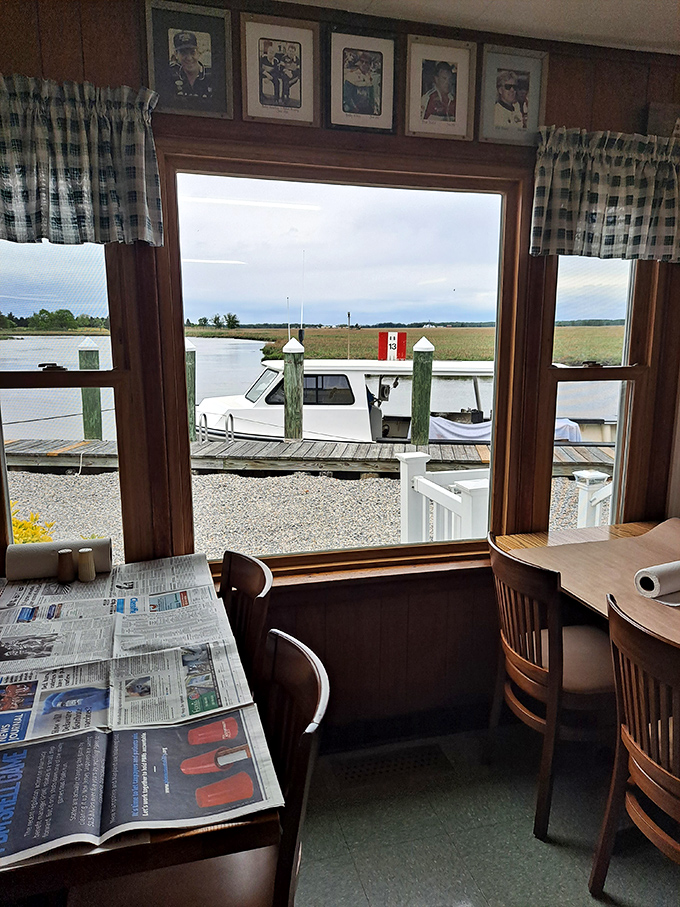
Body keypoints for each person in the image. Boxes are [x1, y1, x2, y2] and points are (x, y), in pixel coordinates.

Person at [168, 31, 213, 101]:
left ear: (198, 52)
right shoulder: (170, 75)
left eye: (192, 52)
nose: (189, 58)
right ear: (176, 54)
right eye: (183, 53)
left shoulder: (210, 75)